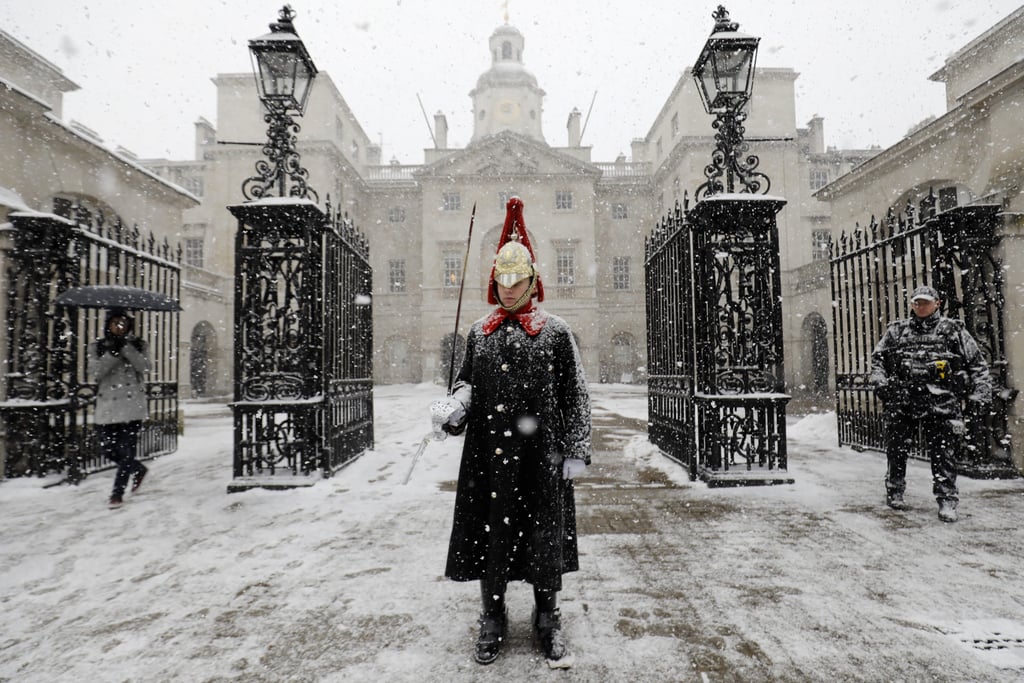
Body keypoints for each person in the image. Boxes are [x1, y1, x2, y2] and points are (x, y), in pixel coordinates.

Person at [432, 197, 592, 668]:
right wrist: (453, 408)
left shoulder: (556, 332)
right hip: (490, 455)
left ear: (532, 281)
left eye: (516, 280)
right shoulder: (479, 334)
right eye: (501, 281)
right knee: (490, 538)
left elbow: (575, 394)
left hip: (542, 454)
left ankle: (547, 617)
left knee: (543, 536)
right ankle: (493, 616)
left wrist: (576, 447)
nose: (508, 288)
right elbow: (467, 385)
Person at [869, 284, 992, 523]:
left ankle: (946, 500)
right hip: (903, 400)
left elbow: (977, 365)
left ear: (936, 303)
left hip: (942, 401)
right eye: (916, 302)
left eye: (925, 302)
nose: (920, 306)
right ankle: (895, 490)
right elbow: (878, 361)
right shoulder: (897, 332)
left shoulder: (953, 331)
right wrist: (881, 384)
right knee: (897, 449)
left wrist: (979, 394)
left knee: (943, 453)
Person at [87, 308, 151, 509]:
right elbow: (95, 373)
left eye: (123, 323)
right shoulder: (97, 347)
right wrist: (111, 354)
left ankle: (117, 494)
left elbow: (145, 367)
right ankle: (138, 469)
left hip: (132, 406)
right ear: (108, 325)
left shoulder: (139, 345)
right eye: (115, 323)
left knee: (126, 452)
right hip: (107, 406)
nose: (119, 326)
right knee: (108, 449)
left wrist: (127, 350)